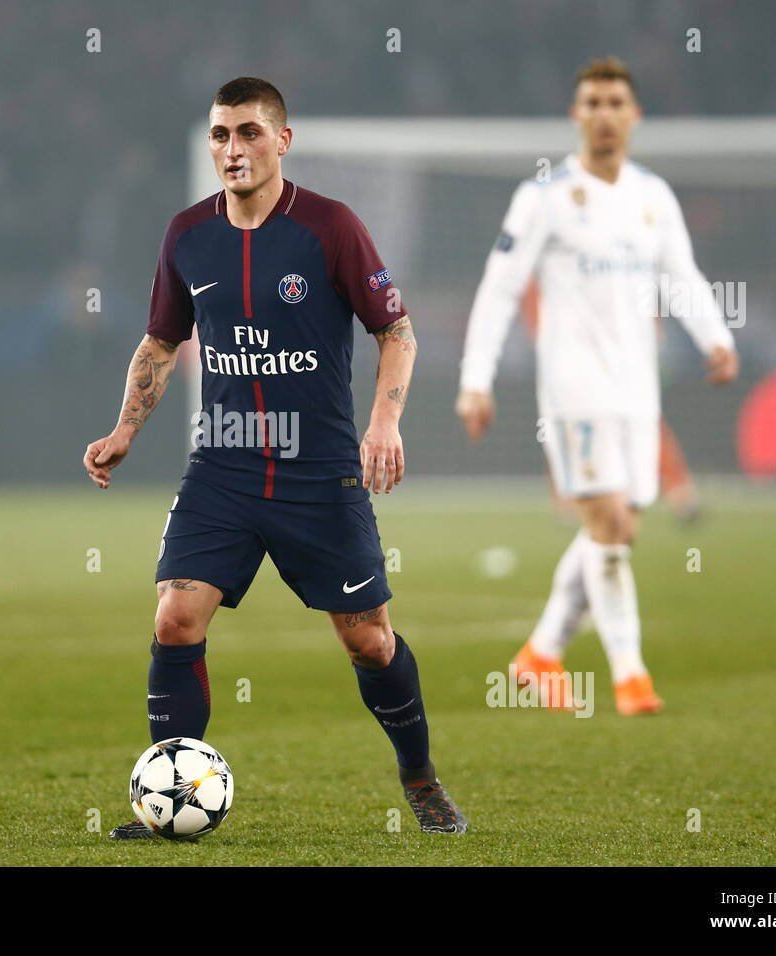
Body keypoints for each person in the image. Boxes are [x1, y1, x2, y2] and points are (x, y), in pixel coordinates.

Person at [85, 77, 466, 836]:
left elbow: (397, 333)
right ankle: (176, 787)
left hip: (318, 474)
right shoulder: (187, 235)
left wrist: (384, 425)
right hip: (222, 466)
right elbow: (163, 340)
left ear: (281, 141)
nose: (234, 149)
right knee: (175, 619)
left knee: (368, 638)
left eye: (250, 133)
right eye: (222, 135)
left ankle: (420, 778)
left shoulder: (330, 227)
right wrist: (126, 428)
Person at [456, 57, 739, 715]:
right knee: (609, 520)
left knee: (619, 529)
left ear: (634, 114)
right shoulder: (545, 198)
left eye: (617, 101)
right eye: (593, 102)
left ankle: (541, 653)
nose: (605, 113)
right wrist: (476, 380)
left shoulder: (652, 197)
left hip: (639, 391)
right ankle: (630, 676)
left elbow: (684, 276)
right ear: (576, 114)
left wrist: (716, 337)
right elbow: (498, 291)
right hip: (573, 388)